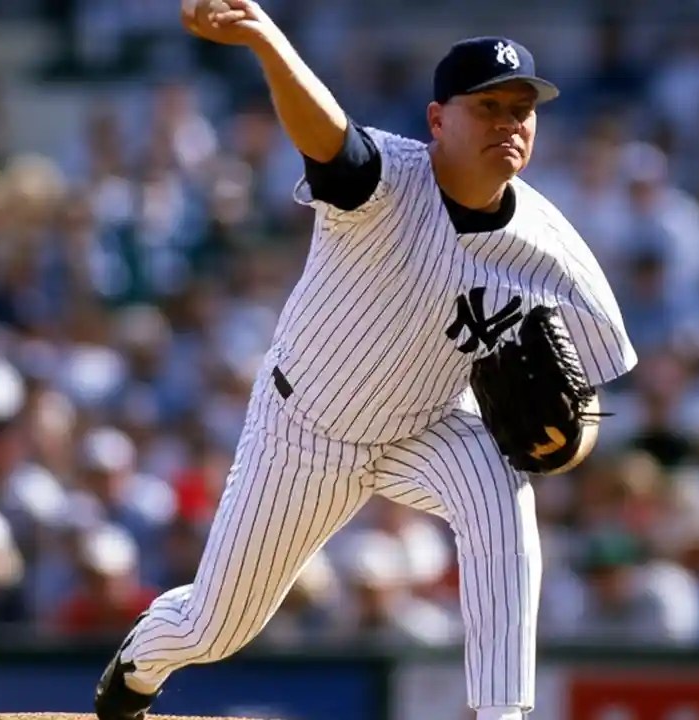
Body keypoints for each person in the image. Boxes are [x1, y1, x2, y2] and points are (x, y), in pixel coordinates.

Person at [93, 2, 636, 719]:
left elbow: (587, 401)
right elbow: (329, 140)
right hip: (305, 427)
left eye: (522, 110)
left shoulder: (551, 251)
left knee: (503, 499)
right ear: (438, 120)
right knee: (217, 626)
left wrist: (567, 444)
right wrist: (265, 38)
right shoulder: (386, 180)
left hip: (426, 427)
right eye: (489, 107)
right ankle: (143, 658)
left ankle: (502, 713)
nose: (510, 122)